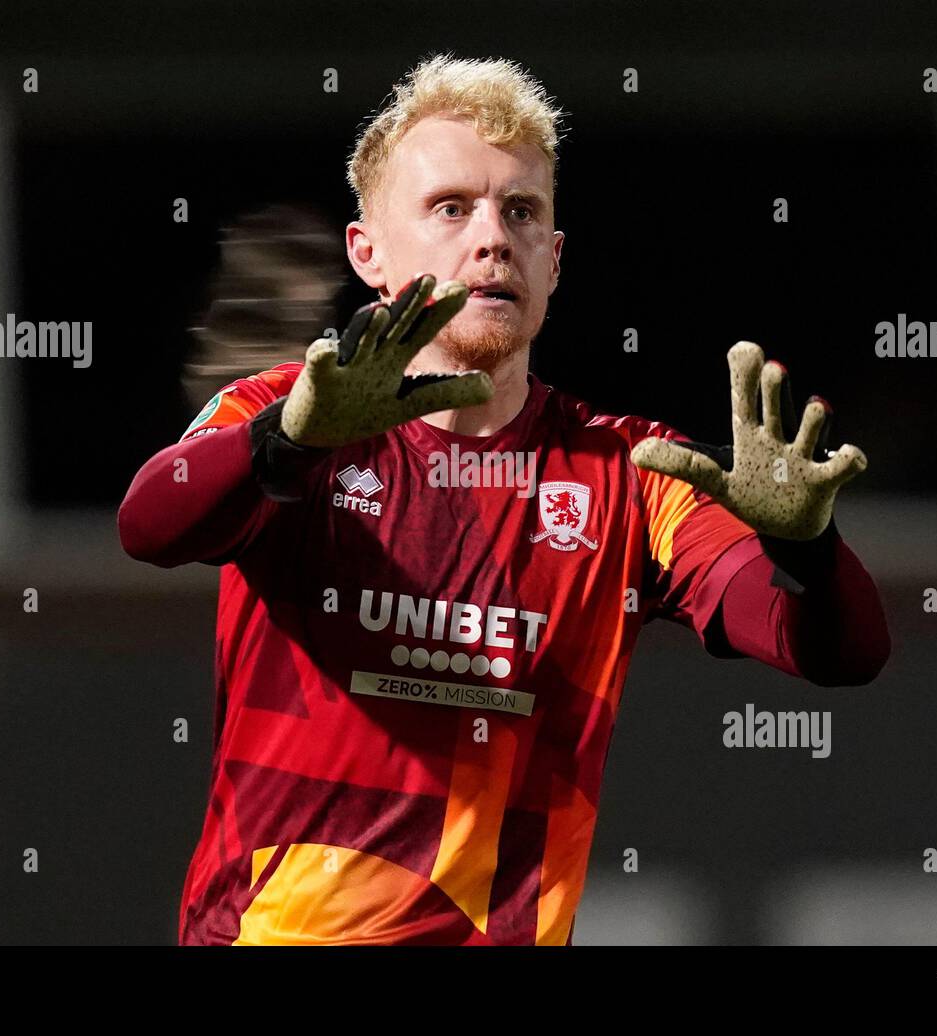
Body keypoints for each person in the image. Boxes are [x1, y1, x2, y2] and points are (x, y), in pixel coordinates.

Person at [118, 53, 890, 946]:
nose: (491, 238)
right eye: (451, 208)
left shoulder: (631, 476)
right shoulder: (289, 414)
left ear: (553, 262)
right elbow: (149, 526)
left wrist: (811, 550)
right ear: (367, 253)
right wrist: (286, 443)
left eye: (520, 212)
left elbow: (844, 653)